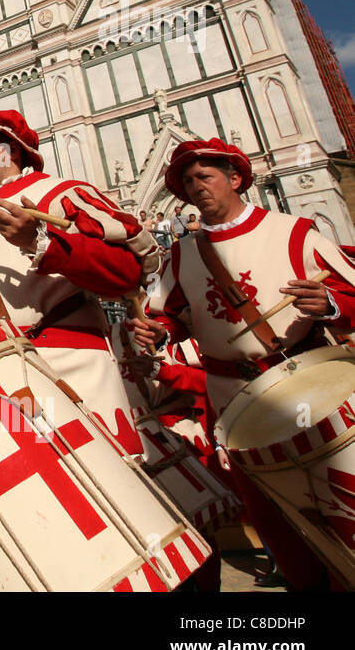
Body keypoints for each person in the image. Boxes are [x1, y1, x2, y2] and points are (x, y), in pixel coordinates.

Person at [129, 137, 355, 590]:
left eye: (204, 176)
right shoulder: (181, 253)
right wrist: (159, 332)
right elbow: (169, 316)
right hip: (232, 402)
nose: (194, 187)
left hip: (310, 383)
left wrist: (330, 301)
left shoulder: (293, 231)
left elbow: (350, 291)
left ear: (235, 179)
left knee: (344, 505)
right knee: (278, 520)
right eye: (187, 181)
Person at [0, 107, 160, 456]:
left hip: (68, 372)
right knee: (29, 498)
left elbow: (125, 274)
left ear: (9, 150)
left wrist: (40, 243)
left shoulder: (58, 195)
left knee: (97, 490)